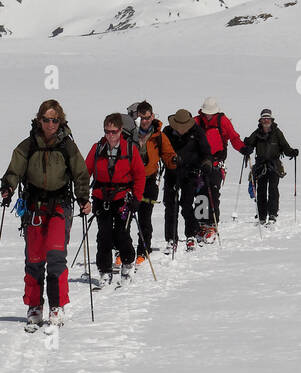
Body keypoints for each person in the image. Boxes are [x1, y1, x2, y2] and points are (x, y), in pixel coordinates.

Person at [0, 100, 91, 327]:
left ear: (60, 121)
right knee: (34, 258)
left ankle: (57, 306)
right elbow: (14, 170)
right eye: (46, 120)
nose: (50, 124)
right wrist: (8, 187)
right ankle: (34, 306)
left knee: (56, 256)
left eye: (55, 120)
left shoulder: (67, 146)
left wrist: (83, 198)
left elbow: (80, 173)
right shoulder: (28, 145)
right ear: (39, 120)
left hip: (60, 206)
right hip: (34, 208)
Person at [85, 113, 146, 288]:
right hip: (101, 197)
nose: (110, 135)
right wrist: (82, 195)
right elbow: (85, 171)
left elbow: (140, 175)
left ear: (120, 131)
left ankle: (127, 264)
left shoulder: (130, 149)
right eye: (107, 131)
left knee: (121, 233)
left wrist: (137, 198)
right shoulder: (97, 148)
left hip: (123, 198)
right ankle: (104, 271)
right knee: (103, 235)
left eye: (114, 132)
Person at [162, 109, 213, 252]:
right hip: (171, 173)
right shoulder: (167, 132)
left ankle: (191, 235)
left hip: (191, 173)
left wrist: (207, 163)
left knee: (187, 205)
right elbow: (160, 151)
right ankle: (171, 239)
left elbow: (206, 152)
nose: (181, 130)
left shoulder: (197, 132)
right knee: (170, 206)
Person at [194, 97, 246, 234]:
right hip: (200, 164)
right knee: (199, 193)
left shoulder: (223, 121)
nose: (208, 115)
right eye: (206, 112)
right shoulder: (197, 121)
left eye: (210, 113)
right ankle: (200, 224)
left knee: (213, 193)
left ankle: (212, 224)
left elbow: (234, 137)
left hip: (217, 164)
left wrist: (242, 148)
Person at [127, 100, 169, 261]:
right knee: (125, 218)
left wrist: (175, 163)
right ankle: (123, 251)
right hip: (130, 182)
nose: (144, 121)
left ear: (152, 116)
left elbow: (168, 154)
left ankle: (143, 250)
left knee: (145, 218)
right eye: (141, 118)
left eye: (147, 117)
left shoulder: (158, 136)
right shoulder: (129, 134)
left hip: (149, 181)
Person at [242, 109, 299, 224]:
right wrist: (246, 145)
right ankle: (262, 216)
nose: (266, 120)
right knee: (261, 190)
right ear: (261, 120)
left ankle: (272, 214)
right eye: (264, 118)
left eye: (268, 118)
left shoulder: (277, 133)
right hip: (261, 166)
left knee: (273, 190)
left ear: (271, 120)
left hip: (274, 166)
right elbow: (249, 145)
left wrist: (292, 152)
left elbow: (285, 147)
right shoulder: (257, 133)